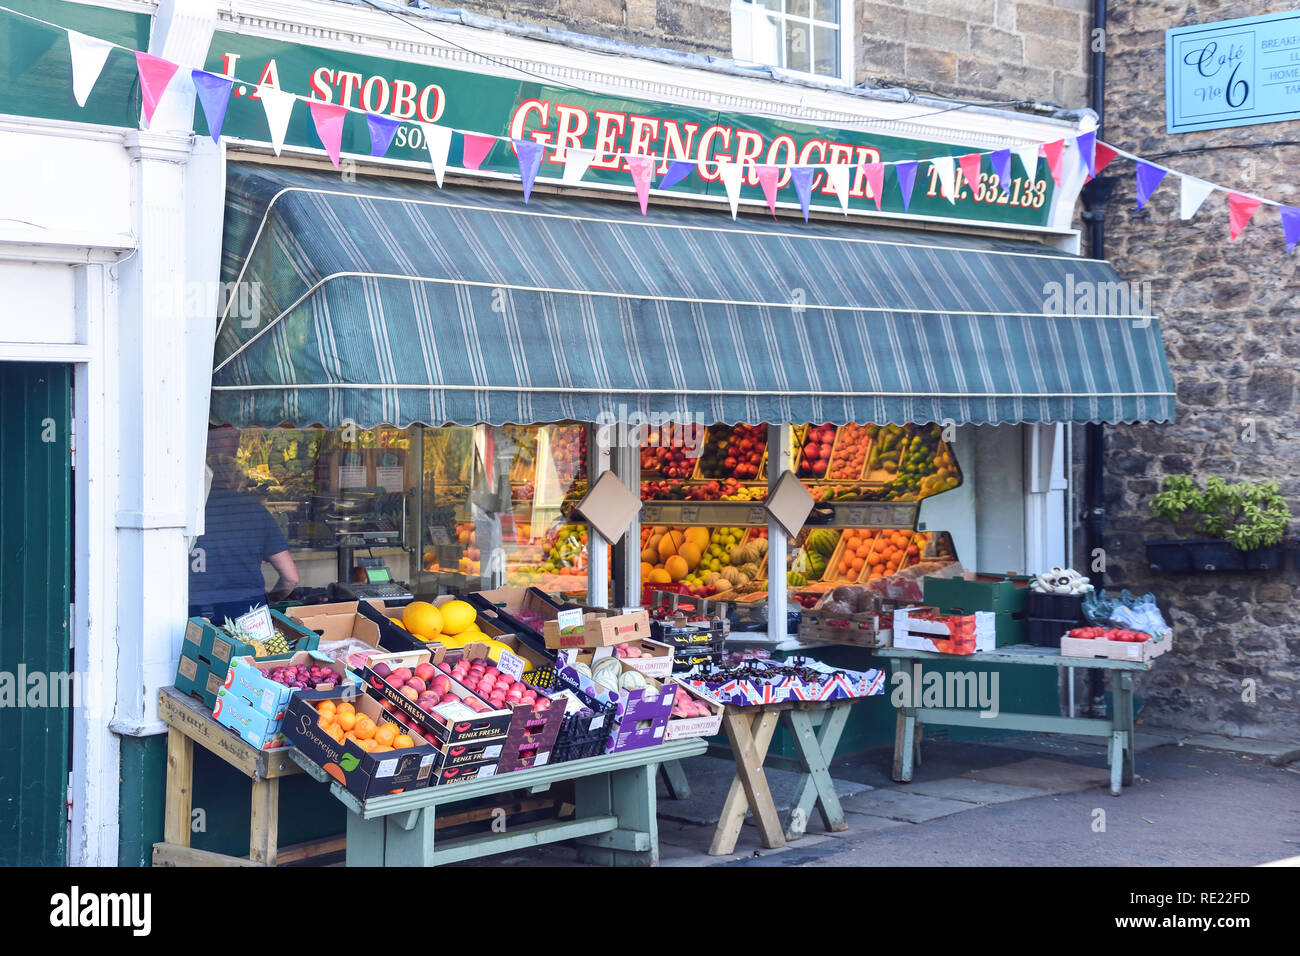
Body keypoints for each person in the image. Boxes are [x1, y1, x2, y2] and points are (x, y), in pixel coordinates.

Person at [188, 425, 300, 621]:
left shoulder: (191, 512)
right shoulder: (257, 513)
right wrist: (269, 600)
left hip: (195, 611)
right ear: (237, 479)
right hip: (250, 612)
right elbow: (291, 578)